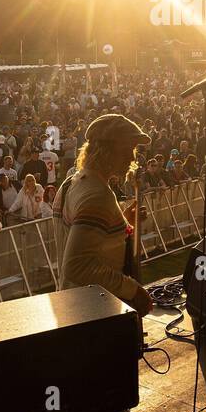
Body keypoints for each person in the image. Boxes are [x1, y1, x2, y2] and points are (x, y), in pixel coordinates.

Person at [56, 114, 153, 316]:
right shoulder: (97, 195)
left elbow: (95, 241)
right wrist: (133, 290)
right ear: (106, 150)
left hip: (74, 306)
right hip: (93, 313)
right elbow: (78, 265)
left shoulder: (73, 183)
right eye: (128, 149)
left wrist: (124, 220)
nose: (133, 157)